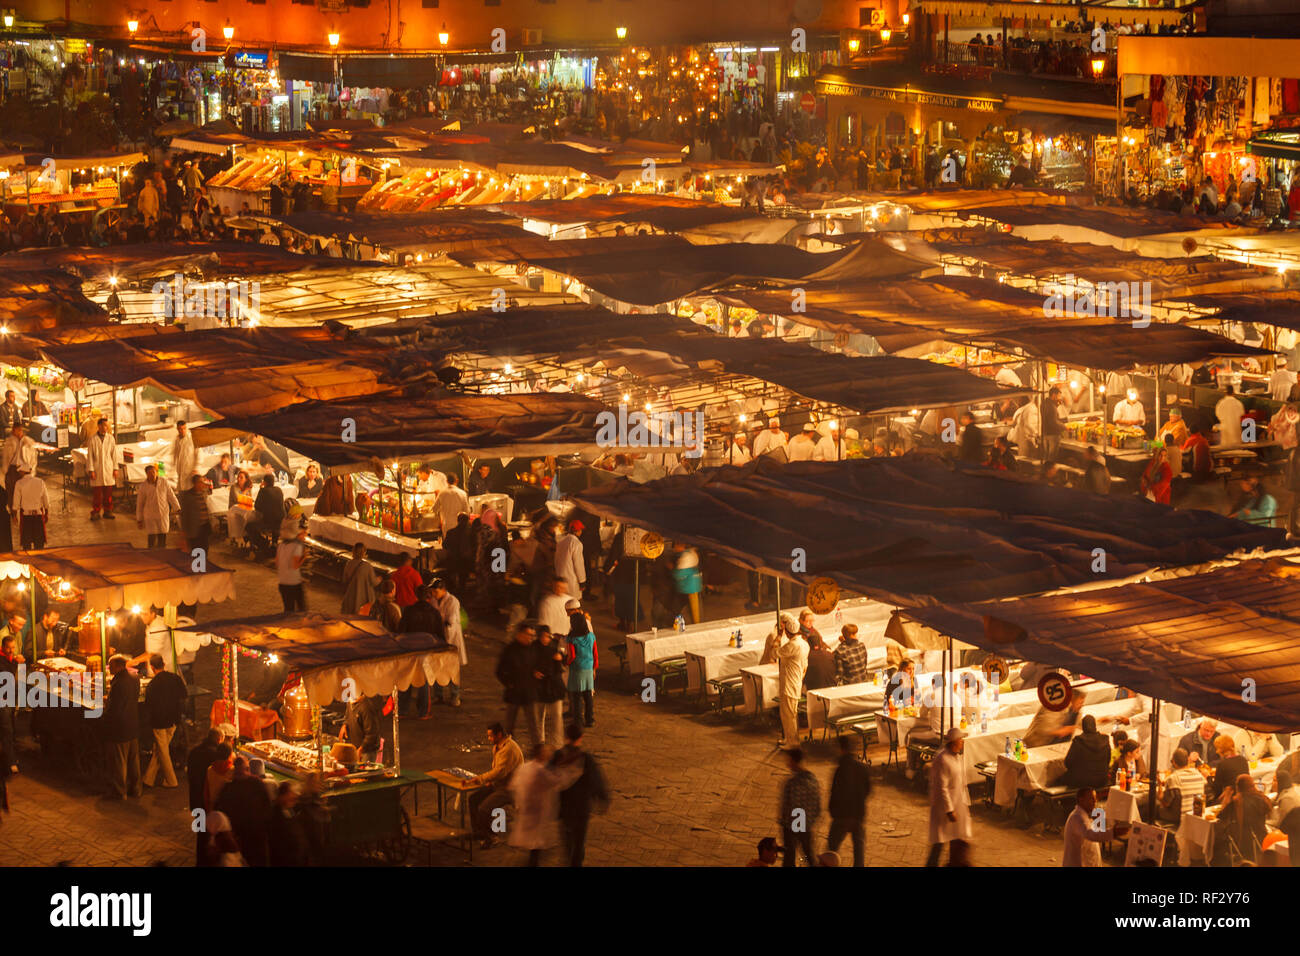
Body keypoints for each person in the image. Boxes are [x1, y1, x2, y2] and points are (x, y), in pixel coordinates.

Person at [551, 722, 610, 867]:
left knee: (567, 838)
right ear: (581, 737)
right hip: (582, 808)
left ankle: (568, 858)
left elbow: (546, 777)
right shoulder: (586, 759)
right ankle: (576, 862)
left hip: (565, 806)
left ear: (565, 736)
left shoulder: (557, 757)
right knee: (579, 840)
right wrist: (603, 798)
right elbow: (596, 780)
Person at [469, 723, 524, 848]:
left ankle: (491, 837)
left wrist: (481, 779)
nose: (489, 739)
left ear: (499, 734)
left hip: (509, 789)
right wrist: (489, 781)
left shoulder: (508, 749)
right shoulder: (498, 746)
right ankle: (478, 833)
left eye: (490, 736)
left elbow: (499, 772)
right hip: (499, 784)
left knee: (484, 808)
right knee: (473, 799)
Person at [216, 756, 272, 866]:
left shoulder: (257, 784)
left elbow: (267, 807)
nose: (242, 775)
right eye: (239, 773)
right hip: (240, 837)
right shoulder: (229, 788)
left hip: (255, 836)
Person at [927, 727, 972, 866]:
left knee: (956, 837)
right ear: (954, 742)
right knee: (940, 841)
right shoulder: (943, 759)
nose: (962, 742)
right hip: (944, 808)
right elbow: (942, 787)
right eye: (960, 740)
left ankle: (954, 863)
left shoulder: (957, 757)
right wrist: (949, 810)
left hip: (957, 804)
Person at [142, 653, 186, 789]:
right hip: (174, 719)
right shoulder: (175, 678)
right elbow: (184, 695)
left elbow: (148, 704)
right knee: (160, 750)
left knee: (163, 751)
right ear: (164, 664)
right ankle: (148, 779)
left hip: (159, 722)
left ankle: (171, 780)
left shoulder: (152, 685)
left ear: (152, 667)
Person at [826, 735, 870, 867]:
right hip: (858, 814)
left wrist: (833, 811)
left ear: (841, 749)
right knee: (859, 850)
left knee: (831, 849)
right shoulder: (862, 768)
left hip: (842, 815)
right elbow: (868, 789)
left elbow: (835, 792)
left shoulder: (840, 769)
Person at [104, 655, 142, 800]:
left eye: (110, 665)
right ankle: (136, 789)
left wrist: (106, 716)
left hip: (120, 727)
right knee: (134, 760)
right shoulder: (134, 678)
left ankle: (120, 791)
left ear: (118, 666)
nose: (109, 668)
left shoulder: (118, 683)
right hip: (133, 723)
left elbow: (114, 707)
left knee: (120, 761)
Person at [497, 620, 540, 748]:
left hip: (529, 692)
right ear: (520, 634)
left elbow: (538, 665)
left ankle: (537, 750)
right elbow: (499, 671)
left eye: (533, 635)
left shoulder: (533, 649)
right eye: (528, 635)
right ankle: (510, 749)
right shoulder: (509, 650)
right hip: (514, 692)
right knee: (509, 724)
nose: (530, 638)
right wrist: (509, 683)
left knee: (533, 724)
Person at [187, 727, 225, 864]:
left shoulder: (194, 752)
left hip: (195, 801)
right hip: (207, 801)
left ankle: (200, 861)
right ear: (219, 739)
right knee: (210, 835)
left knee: (200, 834)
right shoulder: (214, 756)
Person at [778, 747, 821, 867]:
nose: (787, 763)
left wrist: (787, 823)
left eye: (789, 760)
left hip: (793, 825)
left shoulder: (792, 782)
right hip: (806, 824)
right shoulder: (812, 779)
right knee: (808, 854)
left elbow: (792, 806)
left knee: (789, 856)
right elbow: (818, 806)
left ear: (793, 761)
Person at [1215, 773, 1271, 863]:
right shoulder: (1262, 797)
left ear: (1238, 787)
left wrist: (1227, 797)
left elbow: (1221, 816)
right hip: (1261, 837)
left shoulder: (1237, 801)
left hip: (1243, 842)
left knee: (1217, 838)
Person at [776, 615, 809, 749]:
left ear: (788, 633)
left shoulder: (792, 645)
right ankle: (788, 738)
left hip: (789, 683)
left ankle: (792, 742)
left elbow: (776, 652)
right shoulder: (804, 644)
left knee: (789, 714)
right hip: (796, 680)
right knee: (788, 713)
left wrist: (779, 637)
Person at [431, 578, 465, 706]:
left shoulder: (453, 601)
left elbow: (450, 622)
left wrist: (446, 642)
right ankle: (438, 695)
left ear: (443, 590)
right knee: (437, 667)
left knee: (452, 669)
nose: (434, 594)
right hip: (438, 638)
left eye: (436, 591)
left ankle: (455, 696)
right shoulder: (434, 601)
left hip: (451, 639)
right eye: (433, 591)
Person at [1062, 788, 1116, 867]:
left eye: (1095, 799)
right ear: (1081, 800)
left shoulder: (1085, 815)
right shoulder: (1077, 817)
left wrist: (1099, 821)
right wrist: (1114, 832)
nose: (1095, 801)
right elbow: (1090, 834)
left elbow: (1097, 834)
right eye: (1091, 799)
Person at [534, 624, 566, 747]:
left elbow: (562, 661)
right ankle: (539, 742)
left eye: (548, 636)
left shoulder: (553, 646)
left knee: (557, 717)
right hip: (540, 688)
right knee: (538, 718)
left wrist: (560, 658)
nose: (545, 639)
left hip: (554, 688)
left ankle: (557, 744)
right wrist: (533, 672)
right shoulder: (534, 648)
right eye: (543, 636)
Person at [1060, 714, 1111, 790]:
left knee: (1059, 779)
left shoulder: (1078, 741)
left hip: (1081, 781)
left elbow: (1068, 762)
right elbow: (1108, 760)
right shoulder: (1105, 740)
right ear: (1095, 726)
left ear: (1083, 727)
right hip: (1102, 780)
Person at [136, 463, 180, 548]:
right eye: (149, 473)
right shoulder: (143, 487)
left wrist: (177, 508)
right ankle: (151, 556)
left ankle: (162, 555)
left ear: (156, 472)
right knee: (152, 538)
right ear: (146, 474)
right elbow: (140, 504)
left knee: (162, 537)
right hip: (150, 516)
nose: (152, 474)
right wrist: (139, 519)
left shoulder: (163, 482)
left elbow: (171, 495)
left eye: (153, 472)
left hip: (162, 514)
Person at [566, 610, 597, 727]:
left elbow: (572, 656)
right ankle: (590, 719)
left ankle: (578, 720)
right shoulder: (591, 636)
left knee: (577, 697)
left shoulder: (571, 638)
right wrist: (594, 667)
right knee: (588, 696)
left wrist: (566, 662)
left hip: (577, 670)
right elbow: (595, 653)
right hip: (588, 668)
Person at [1157, 748, 1205, 823]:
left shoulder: (1174, 778)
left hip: (1179, 817)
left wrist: (1159, 785)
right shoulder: (1199, 775)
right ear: (1188, 761)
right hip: (1196, 814)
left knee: (1152, 806)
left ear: (1174, 762)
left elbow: (1166, 803)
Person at [269, 782, 310, 866]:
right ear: (282, 795)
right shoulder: (274, 815)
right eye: (290, 793)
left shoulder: (290, 809)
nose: (295, 797)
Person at [86, 417, 119, 520]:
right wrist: (91, 470)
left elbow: (114, 454)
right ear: (99, 426)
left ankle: (108, 510)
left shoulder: (111, 438)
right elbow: (90, 456)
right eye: (103, 425)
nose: (105, 427)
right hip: (97, 469)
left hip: (108, 468)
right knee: (97, 493)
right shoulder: (92, 439)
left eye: (106, 426)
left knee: (108, 493)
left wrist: (115, 468)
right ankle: (96, 511)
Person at [11, 464, 47, 549]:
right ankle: (39, 559)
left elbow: (16, 502)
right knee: (39, 543)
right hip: (38, 515)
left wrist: (14, 514)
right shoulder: (40, 481)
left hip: (26, 516)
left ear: (23, 472)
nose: (19, 474)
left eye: (20, 472)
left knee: (26, 543)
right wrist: (46, 513)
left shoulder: (19, 483)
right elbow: (45, 499)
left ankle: (28, 560)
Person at [0, 636, 21, 773]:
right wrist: (16, 663)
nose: (11, 650)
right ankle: (11, 762)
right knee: (7, 730)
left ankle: (10, 756)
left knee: (10, 728)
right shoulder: (1, 660)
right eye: (8, 648)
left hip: (10, 698)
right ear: (3, 647)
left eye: (13, 648)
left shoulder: (9, 658)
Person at [1209, 735, 1251, 802]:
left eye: (1217, 748)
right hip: (1247, 797)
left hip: (1231, 800)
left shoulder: (1223, 764)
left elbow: (1217, 790)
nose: (1216, 751)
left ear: (1220, 750)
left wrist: (1208, 777)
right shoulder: (1243, 760)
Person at [275, 527, 307, 613]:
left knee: (288, 610)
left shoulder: (281, 545)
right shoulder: (298, 546)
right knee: (302, 610)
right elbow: (295, 565)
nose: (305, 537)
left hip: (282, 582)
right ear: (297, 535)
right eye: (303, 535)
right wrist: (304, 557)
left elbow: (277, 563)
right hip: (294, 583)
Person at [340, 542, 377, 615]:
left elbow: (344, 579)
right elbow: (374, 582)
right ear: (363, 553)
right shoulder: (367, 566)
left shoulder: (348, 564)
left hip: (350, 597)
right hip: (363, 600)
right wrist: (379, 580)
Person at [342, 694, 381, 761]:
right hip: (355, 747)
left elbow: (372, 733)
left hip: (367, 751)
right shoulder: (350, 702)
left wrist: (361, 749)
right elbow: (347, 715)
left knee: (365, 770)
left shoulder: (366, 707)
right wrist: (345, 724)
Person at [252, 475, 284, 554]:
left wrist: (261, 489)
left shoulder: (263, 491)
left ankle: (263, 543)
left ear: (264, 482)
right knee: (275, 519)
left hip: (267, 521)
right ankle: (274, 543)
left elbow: (257, 506)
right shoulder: (279, 490)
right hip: (281, 520)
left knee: (249, 526)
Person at [555, 520, 587, 599]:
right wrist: (582, 581)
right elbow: (578, 564)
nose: (581, 532)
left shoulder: (561, 542)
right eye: (581, 530)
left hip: (560, 579)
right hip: (572, 580)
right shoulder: (576, 544)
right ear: (578, 531)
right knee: (573, 605)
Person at [672, 542, 702, 623]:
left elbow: (679, 574)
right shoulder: (691, 553)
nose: (674, 548)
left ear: (681, 545)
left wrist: (672, 571)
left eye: (675, 546)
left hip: (689, 589)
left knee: (693, 616)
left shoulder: (687, 556)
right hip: (692, 587)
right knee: (693, 614)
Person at [172, 421, 197, 492]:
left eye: (184, 428)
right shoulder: (176, 440)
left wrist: (196, 467)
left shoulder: (192, 439)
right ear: (177, 429)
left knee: (190, 490)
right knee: (182, 490)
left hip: (190, 470)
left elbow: (198, 453)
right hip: (180, 470)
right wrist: (173, 468)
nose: (182, 431)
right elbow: (174, 455)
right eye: (180, 429)